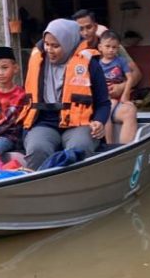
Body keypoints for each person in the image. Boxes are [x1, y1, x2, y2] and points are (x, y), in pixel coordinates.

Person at [20, 18, 110, 170]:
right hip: (44, 121)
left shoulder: (90, 65)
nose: (49, 50)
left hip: (78, 124)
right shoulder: (38, 61)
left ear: (68, 43)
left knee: (79, 148)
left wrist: (99, 121)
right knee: (37, 149)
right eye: (47, 44)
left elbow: (103, 103)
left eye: (55, 46)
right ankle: (39, 188)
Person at [72, 9, 142, 89]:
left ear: (95, 27)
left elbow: (137, 74)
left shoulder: (111, 46)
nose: (85, 33)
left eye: (89, 27)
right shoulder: (74, 50)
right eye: (81, 29)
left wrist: (121, 87)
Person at [98, 30, 138, 145]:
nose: (111, 50)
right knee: (106, 114)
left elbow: (130, 78)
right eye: (108, 46)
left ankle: (124, 147)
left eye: (114, 47)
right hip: (104, 97)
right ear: (100, 47)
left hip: (117, 96)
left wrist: (125, 96)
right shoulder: (97, 64)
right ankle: (109, 144)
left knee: (110, 110)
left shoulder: (121, 61)